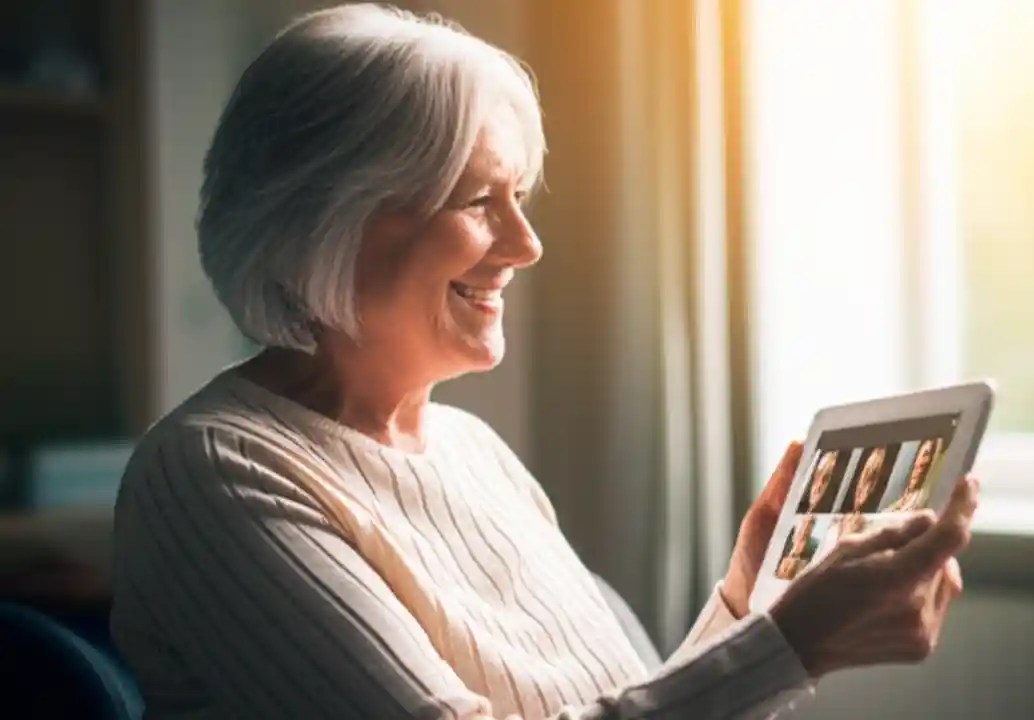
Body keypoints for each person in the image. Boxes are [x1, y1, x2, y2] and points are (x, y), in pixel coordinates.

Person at [109, 5, 978, 719]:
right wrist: (793, 645)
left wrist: (745, 608)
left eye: (518, 197)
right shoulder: (215, 469)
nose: (525, 245)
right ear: (328, 216)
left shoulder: (471, 452)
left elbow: (613, 707)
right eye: (479, 200)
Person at [885, 438, 944, 512]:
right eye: (923, 455)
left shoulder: (921, 500)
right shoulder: (899, 501)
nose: (922, 463)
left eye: (927, 456)